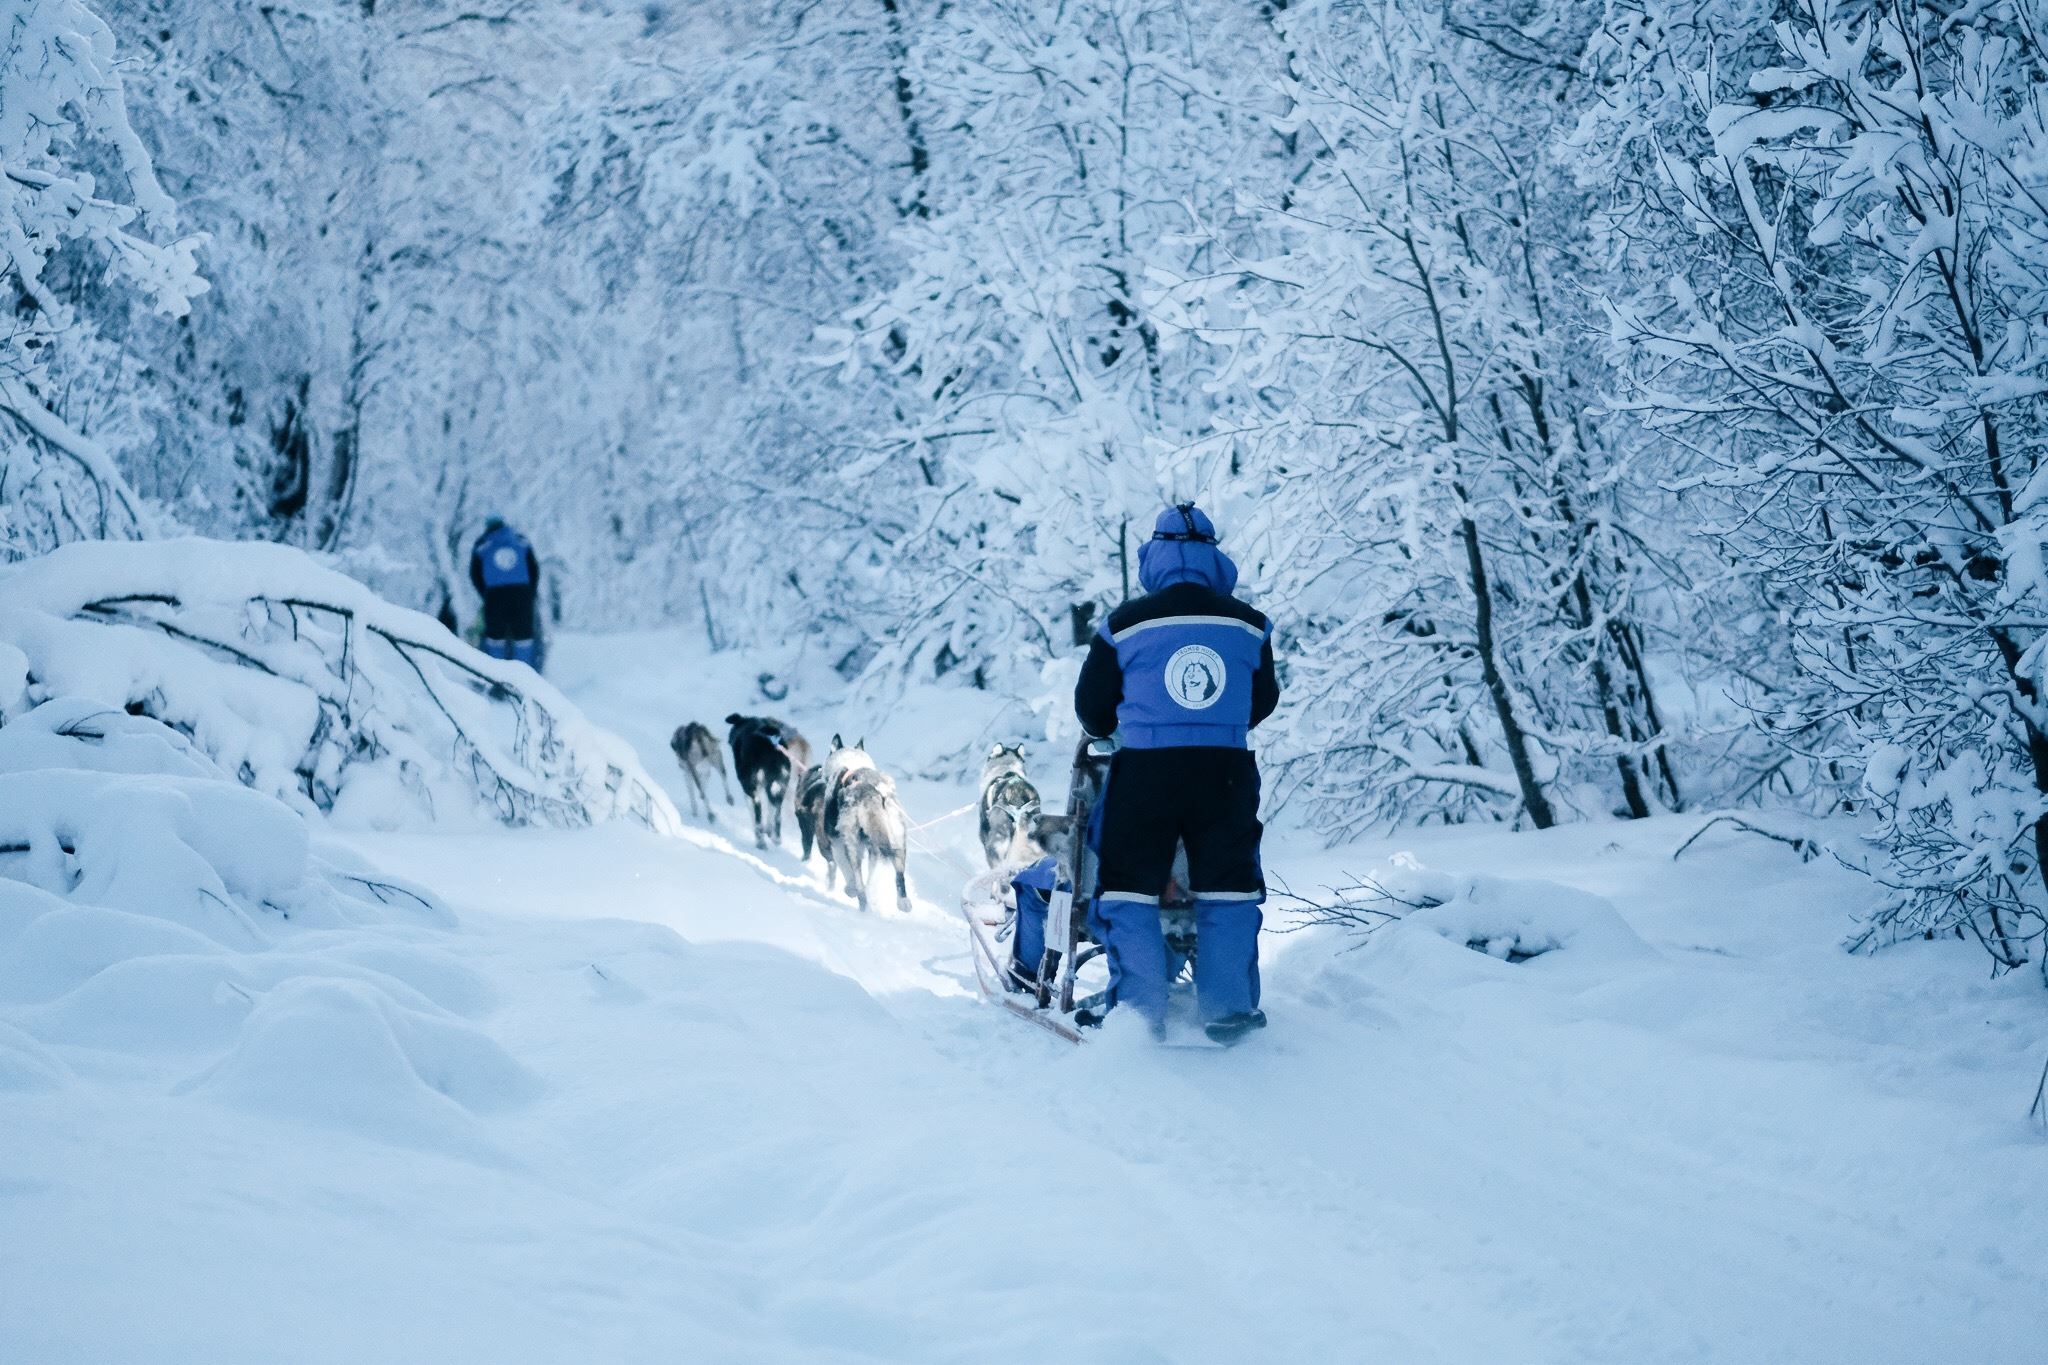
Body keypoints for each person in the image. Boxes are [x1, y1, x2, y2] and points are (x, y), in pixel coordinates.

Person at [1073, 502, 1280, 1044]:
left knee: (1128, 889)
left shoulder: (1124, 624)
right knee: (1230, 886)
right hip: (1227, 775)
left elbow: (1092, 711)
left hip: (1146, 773)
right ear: (1215, 558)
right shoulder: (1250, 624)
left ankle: (1140, 1012)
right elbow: (1263, 702)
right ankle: (1228, 1007)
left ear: (1154, 557)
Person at [468, 515, 544, 670]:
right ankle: (525, 677)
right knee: (523, 637)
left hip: (494, 595)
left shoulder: (482, 544)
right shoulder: (521, 541)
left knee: (495, 638)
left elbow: (474, 574)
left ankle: (496, 677)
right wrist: (530, 593)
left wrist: (486, 594)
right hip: (522, 593)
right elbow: (534, 570)